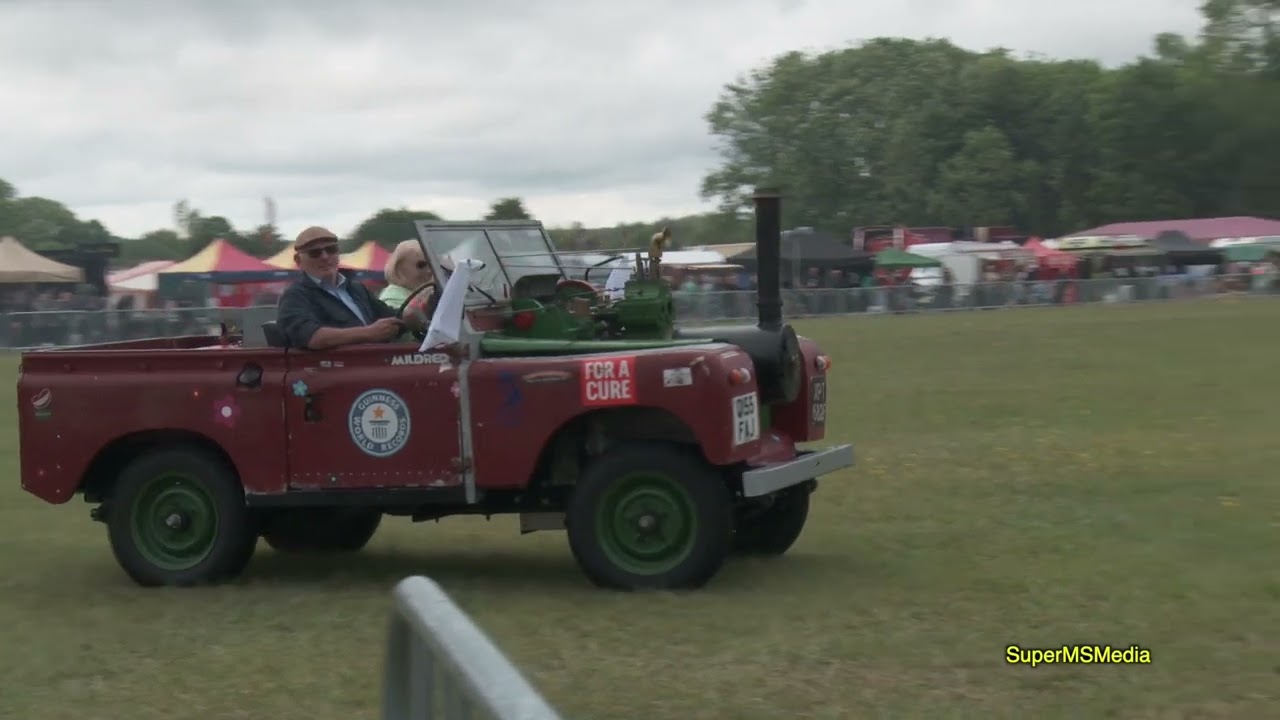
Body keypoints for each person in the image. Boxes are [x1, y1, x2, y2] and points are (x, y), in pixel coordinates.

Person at [276, 226, 404, 350]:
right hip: (329, 368)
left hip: (370, 363)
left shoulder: (357, 288)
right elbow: (312, 337)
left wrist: (413, 313)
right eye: (314, 253)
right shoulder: (295, 296)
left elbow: (392, 316)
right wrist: (370, 333)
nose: (325, 256)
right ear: (298, 261)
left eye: (331, 249)